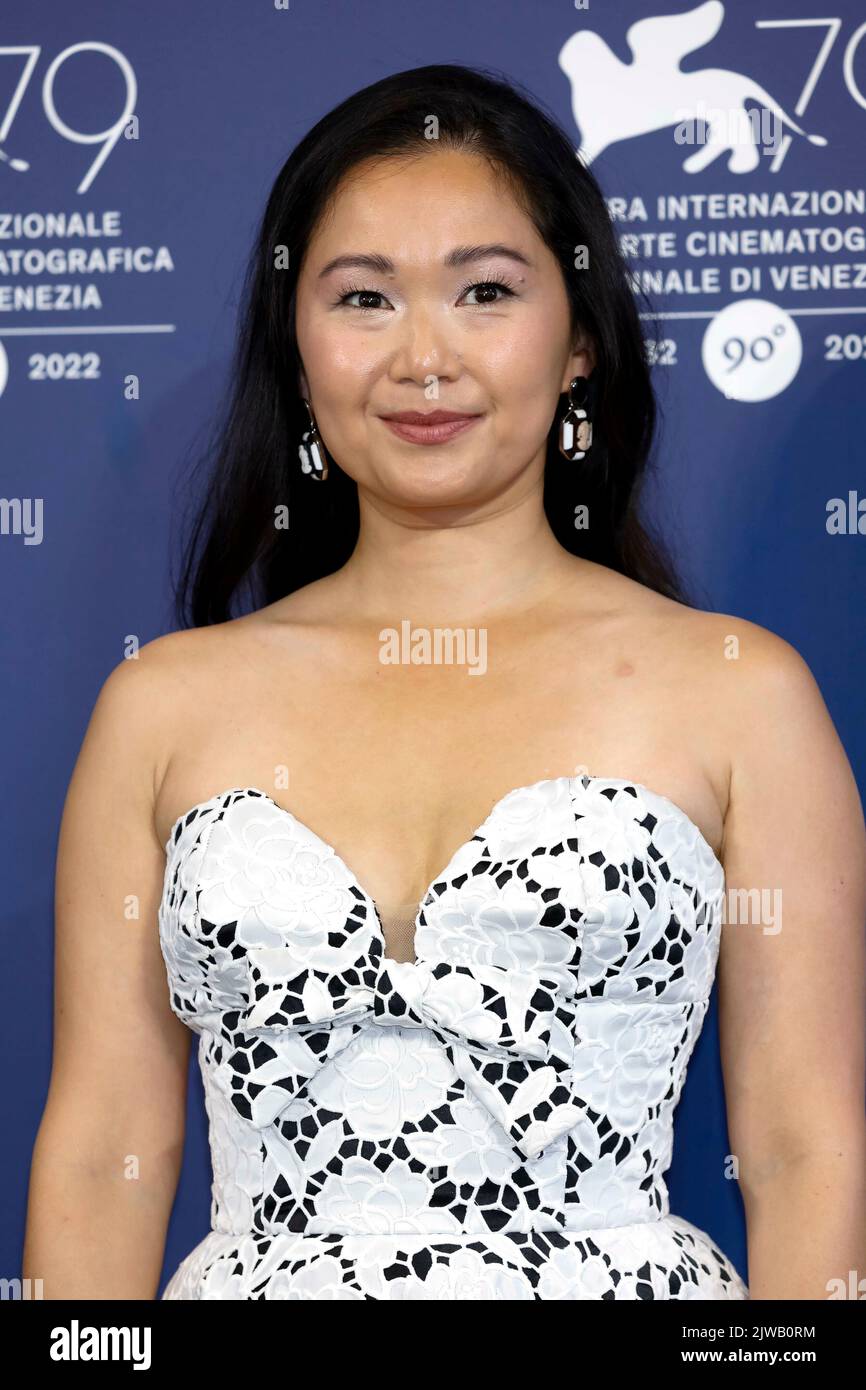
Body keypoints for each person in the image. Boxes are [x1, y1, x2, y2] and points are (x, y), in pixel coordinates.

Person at [24, 64, 866, 1300]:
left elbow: (801, 1151)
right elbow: (105, 1155)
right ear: (296, 350)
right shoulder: (163, 706)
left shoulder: (738, 693)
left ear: (579, 341)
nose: (423, 356)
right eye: (364, 298)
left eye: (484, 291)